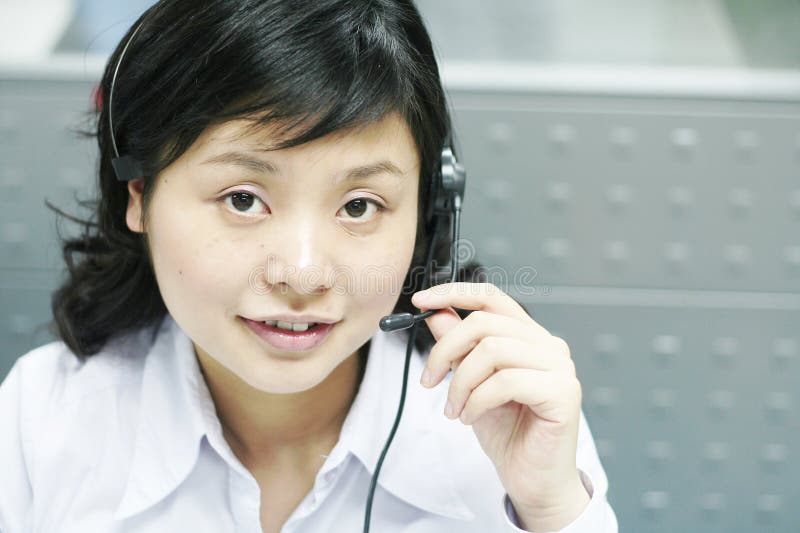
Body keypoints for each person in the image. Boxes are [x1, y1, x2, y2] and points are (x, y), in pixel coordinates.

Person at [0, 1, 618, 532]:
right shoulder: (45, 420)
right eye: (243, 199)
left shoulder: (502, 423)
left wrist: (553, 510)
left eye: (358, 205)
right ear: (139, 193)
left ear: (431, 213)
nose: (301, 273)